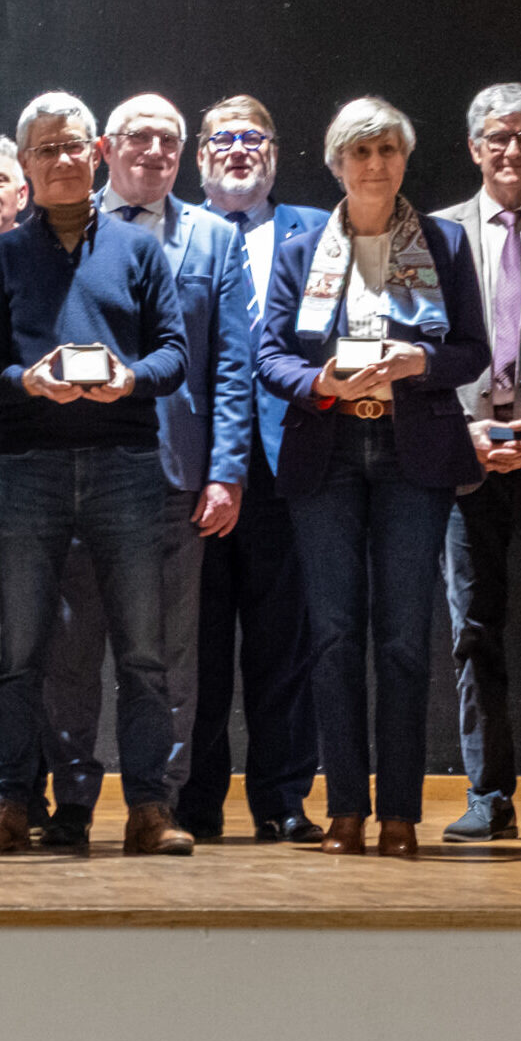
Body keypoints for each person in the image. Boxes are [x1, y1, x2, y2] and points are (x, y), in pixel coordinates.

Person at [0, 91, 190, 858]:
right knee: (19, 652)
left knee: (143, 653)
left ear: (95, 156)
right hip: (28, 470)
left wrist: (129, 378)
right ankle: (8, 803)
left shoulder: (139, 251)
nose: (61, 160)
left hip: (126, 468)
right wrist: (28, 382)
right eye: (45, 149)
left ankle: (149, 807)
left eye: (71, 147)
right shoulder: (0, 257)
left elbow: (174, 354)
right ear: (25, 165)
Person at [257, 97, 487, 860]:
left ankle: (398, 813)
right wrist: (319, 381)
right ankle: (346, 809)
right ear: (336, 163)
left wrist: (421, 361)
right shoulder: (298, 249)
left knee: (403, 640)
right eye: (360, 151)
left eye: (388, 149)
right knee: (331, 637)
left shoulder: (444, 243)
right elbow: (269, 356)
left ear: (405, 159)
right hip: (326, 452)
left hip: (409, 455)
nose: (375, 163)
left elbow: (471, 351)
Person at [40, 93, 250, 851]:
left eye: (169, 140)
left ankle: (155, 803)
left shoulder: (214, 240)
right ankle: (70, 801)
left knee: (165, 657)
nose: (155, 152)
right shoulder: (61, 226)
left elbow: (232, 366)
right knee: (69, 651)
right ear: (105, 147)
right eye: (140, 138)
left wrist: (225, 472)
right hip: (76, 470)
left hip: (172, 478)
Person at [179, 94, 328, 844]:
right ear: (200, 155)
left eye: (254, 138)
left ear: (274, 150)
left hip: (290, 463)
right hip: (194, 467)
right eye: (224, 138)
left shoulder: (322, 231)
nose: (239, 149)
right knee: (195, 646)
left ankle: (282, 799)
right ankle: (194, 801)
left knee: (284, 644)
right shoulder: (174, 233)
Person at [434, 83, 521, 844]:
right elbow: (418, 347)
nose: (512, 149)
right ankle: (487, 795)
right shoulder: (436, 233)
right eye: (498, 136)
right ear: (473, 147)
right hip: (466, 459)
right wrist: (463, 432)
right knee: (473, 632)